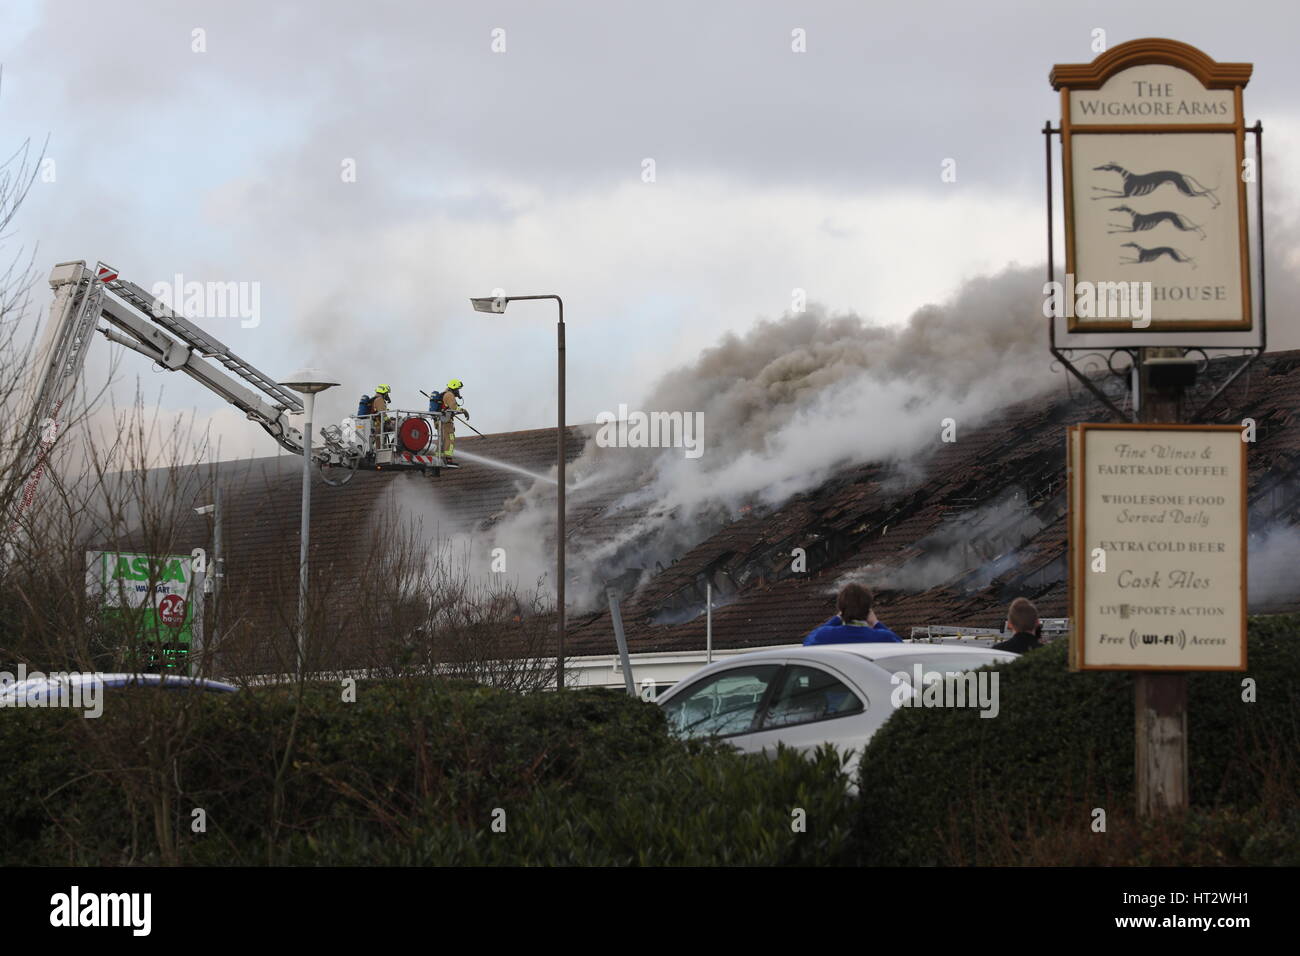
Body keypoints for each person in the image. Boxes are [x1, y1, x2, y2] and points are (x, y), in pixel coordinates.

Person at [803, 583, 903, 645]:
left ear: (841, 608)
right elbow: (900, 646)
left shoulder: (825, 635)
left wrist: (837, 618)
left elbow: (808, 641)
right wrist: (875, 623)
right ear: (868, 611)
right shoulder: (883, 637)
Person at [437, 378, 469, 462]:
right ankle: (448, 458)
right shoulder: (449, 395)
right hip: (446, 421)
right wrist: (463, 411)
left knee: (442, 439)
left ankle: (439, 457)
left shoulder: (445, 394)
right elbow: (454, 408)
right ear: (454, 388)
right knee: (450, 438)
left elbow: (449, 409)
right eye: (458, 389)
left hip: (440, 420)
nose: (458, 391)